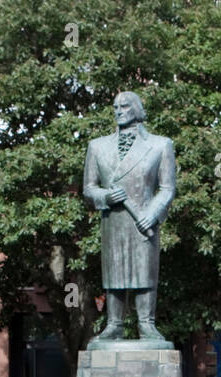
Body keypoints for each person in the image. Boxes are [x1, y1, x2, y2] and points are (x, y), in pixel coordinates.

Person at [83, 91, 177, 343]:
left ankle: (146, 323)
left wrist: (152, 214)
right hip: (113, 221)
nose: (118, 111)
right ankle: (114, 324)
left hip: (143, 221)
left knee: (145, 272)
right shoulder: (97, 146)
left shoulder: (160, 145)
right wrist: (106, 196)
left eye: (124, 106)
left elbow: (167, 188)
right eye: (115, 107)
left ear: (137, 108)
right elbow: (89, 188)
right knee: (114, 272)